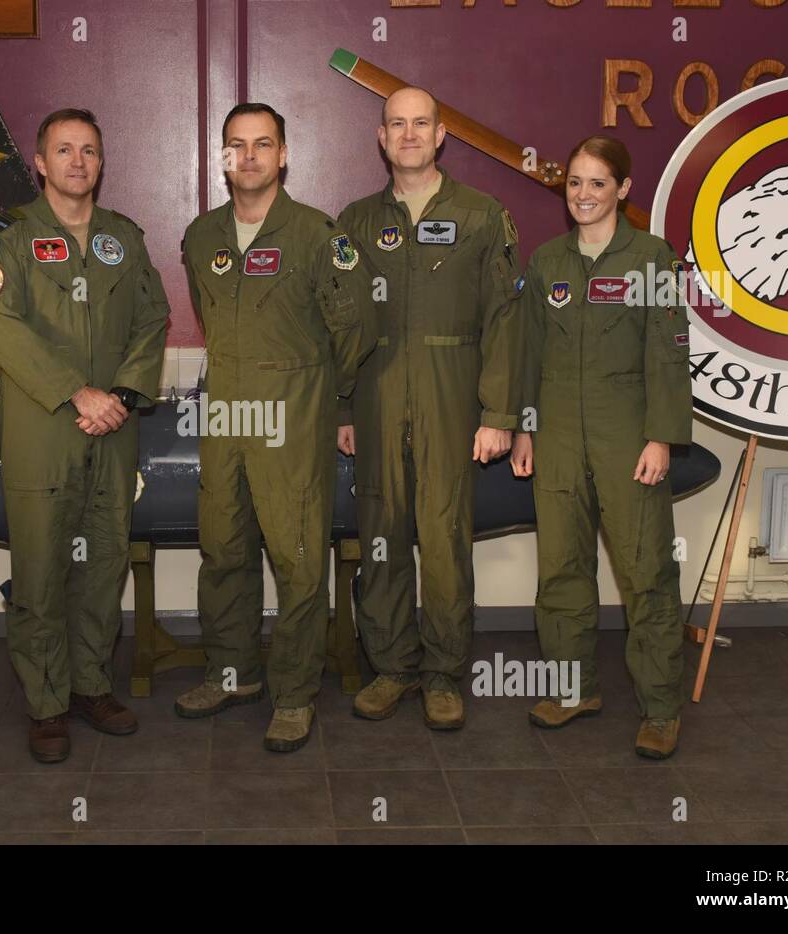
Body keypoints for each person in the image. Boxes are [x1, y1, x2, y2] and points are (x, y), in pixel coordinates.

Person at [177, 103, 376, 752]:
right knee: (223, 553)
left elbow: (357, 329)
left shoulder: (319, 234)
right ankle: (232, 674)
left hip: (291, 424)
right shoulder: (201, 236)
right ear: (224, 157)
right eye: (238, 145)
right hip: (226, 418)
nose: (251, 156)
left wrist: (329, 400)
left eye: (264, 144)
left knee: (295, 563)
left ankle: (293, 695)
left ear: (284, 154)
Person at [0, 109, 170, 763]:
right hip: (43, 425)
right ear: (40, 161)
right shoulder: (9, 237)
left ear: (101, 161)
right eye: (64, 149)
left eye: (89, 149)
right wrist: (74, 391)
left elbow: (153, 317)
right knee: (40, 568)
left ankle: (91, 685)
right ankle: (47, 703)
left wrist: (119, 395)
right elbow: (3, 324)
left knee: (103, 561)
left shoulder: (124, 237)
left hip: (114, 429)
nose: (77, 161)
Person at [337, 86, 525, 729]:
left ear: (442, 134)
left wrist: (500, 414)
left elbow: (504, 321)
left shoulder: (480, 215)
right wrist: (341, 409)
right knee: (382, 536)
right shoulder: (355, 222)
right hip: (376, 399)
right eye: (397, 123)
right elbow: (337, 322)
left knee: (445, 541)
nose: (410, 133)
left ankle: (444, 674)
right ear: (381, 137)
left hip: (453, 400)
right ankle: (391, 666)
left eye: (422, 123)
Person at [510, 134, 691, 759]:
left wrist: (661, 438)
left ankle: (661, 708)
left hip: (628, 434)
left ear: (623, 190)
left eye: (597, 183)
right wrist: (525, 428)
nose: (583, 195)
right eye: (575, 183)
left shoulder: (652, 259)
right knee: (560, 568)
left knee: (645, 574)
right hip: (556, 432)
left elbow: (669, 355)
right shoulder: (547, 262)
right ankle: (571, 689)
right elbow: (527, 352)